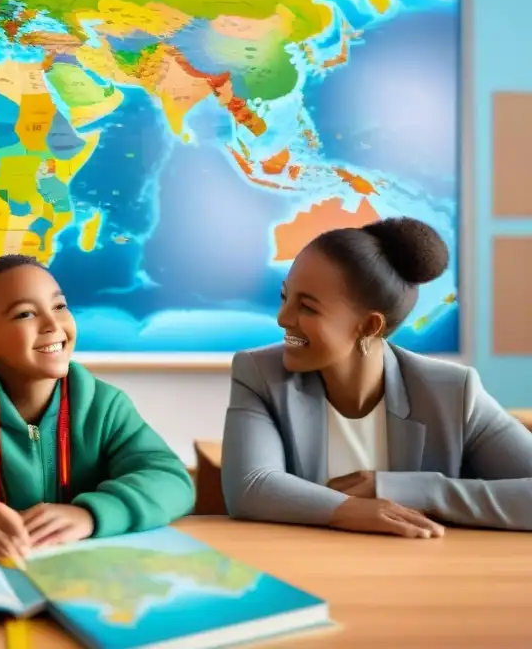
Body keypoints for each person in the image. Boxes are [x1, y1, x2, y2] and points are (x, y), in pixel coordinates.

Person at [221, 217, 532, 536]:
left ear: (370, 326)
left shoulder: (453, 392)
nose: (283, 318)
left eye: (308, 308)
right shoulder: (260, 373)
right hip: (305, 563)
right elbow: (250, 486)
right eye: (285, 297)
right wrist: (350, 510)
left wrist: (421, 491)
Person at [0, 254, 194, 563]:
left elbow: (170, 479)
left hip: (85, 570)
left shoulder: (106, 407)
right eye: (25, 314)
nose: (53, 324)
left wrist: (90, 515)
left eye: (59, 306)